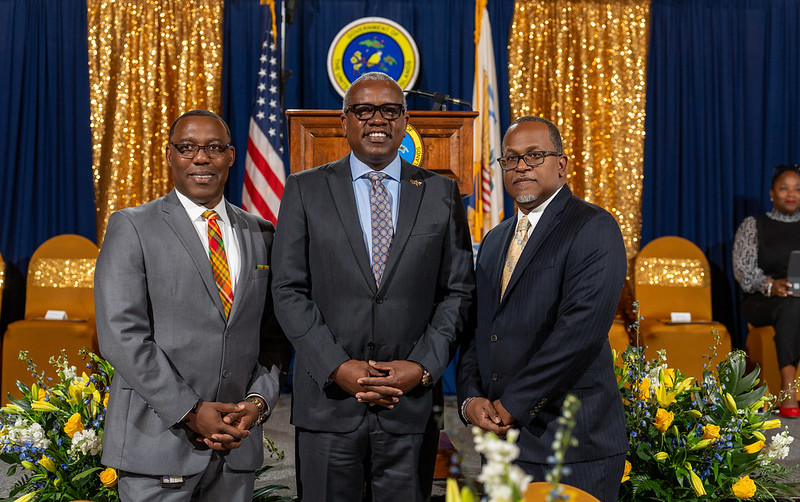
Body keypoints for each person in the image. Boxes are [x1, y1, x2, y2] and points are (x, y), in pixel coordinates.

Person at [271, 72, 474, 502]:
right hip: (328, 403)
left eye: (389, 110)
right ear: (344, 122)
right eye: (363, 110)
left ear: (404, 122)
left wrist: (419, 367)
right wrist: (336, 366)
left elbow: (457, 291)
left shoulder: (440, 192)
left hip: (410, 407)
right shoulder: (304, 189)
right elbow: (288, 289)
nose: (376, 119)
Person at [95, 110, 291, 501]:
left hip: (236, 447)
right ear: (170, 155)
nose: (201, 158)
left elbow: (274, 336)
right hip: (157, 444)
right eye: (187, 148)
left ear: (231, 156)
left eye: (214, 148)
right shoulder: (132, 226)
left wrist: (257, 402)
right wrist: (190, 410)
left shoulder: (262, 233)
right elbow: (122, 336)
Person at [457, 116, 628, 502]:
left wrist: (512, 406)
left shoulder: (594, 227)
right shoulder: (495, 239)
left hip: (572, 442)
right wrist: (470, 401)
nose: (522, 166)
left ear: (562, 164)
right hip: (502, 443)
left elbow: (578, 336)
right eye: (511, 159)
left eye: (535, 155)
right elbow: (478, 331)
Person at [733, 164, 800, 418]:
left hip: (797, 298)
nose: (791, 194)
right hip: (762, 300)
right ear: (772, 193)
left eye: (797, 189)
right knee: (792, 306)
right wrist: (771, 285)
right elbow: (743, 270)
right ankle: (788, 389)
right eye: (784, 188)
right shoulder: (754, 225)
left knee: (796, 304)